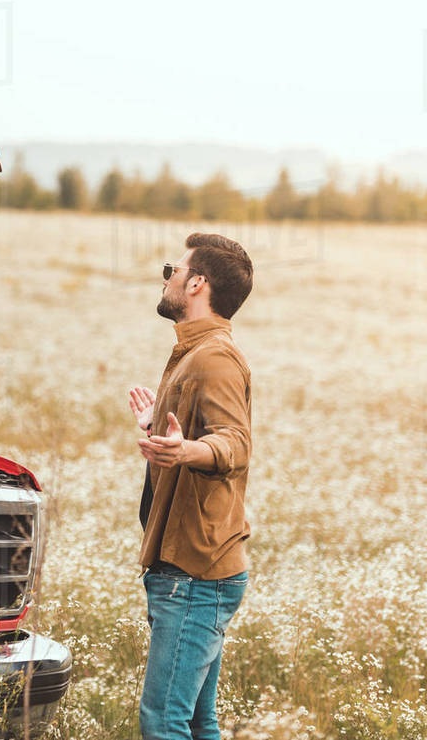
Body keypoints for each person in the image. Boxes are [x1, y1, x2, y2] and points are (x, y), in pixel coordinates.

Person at [126, 232, 254, 740]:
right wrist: (157, 427)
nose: (168, 278)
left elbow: (234, 444)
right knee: (199, 722)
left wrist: (183, 451)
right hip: (194, 566)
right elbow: (201, 432)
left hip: (195, 573)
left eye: (172, 270)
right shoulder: (194, 352)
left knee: (163, 723)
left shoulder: (214, 358)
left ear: (196, 283)